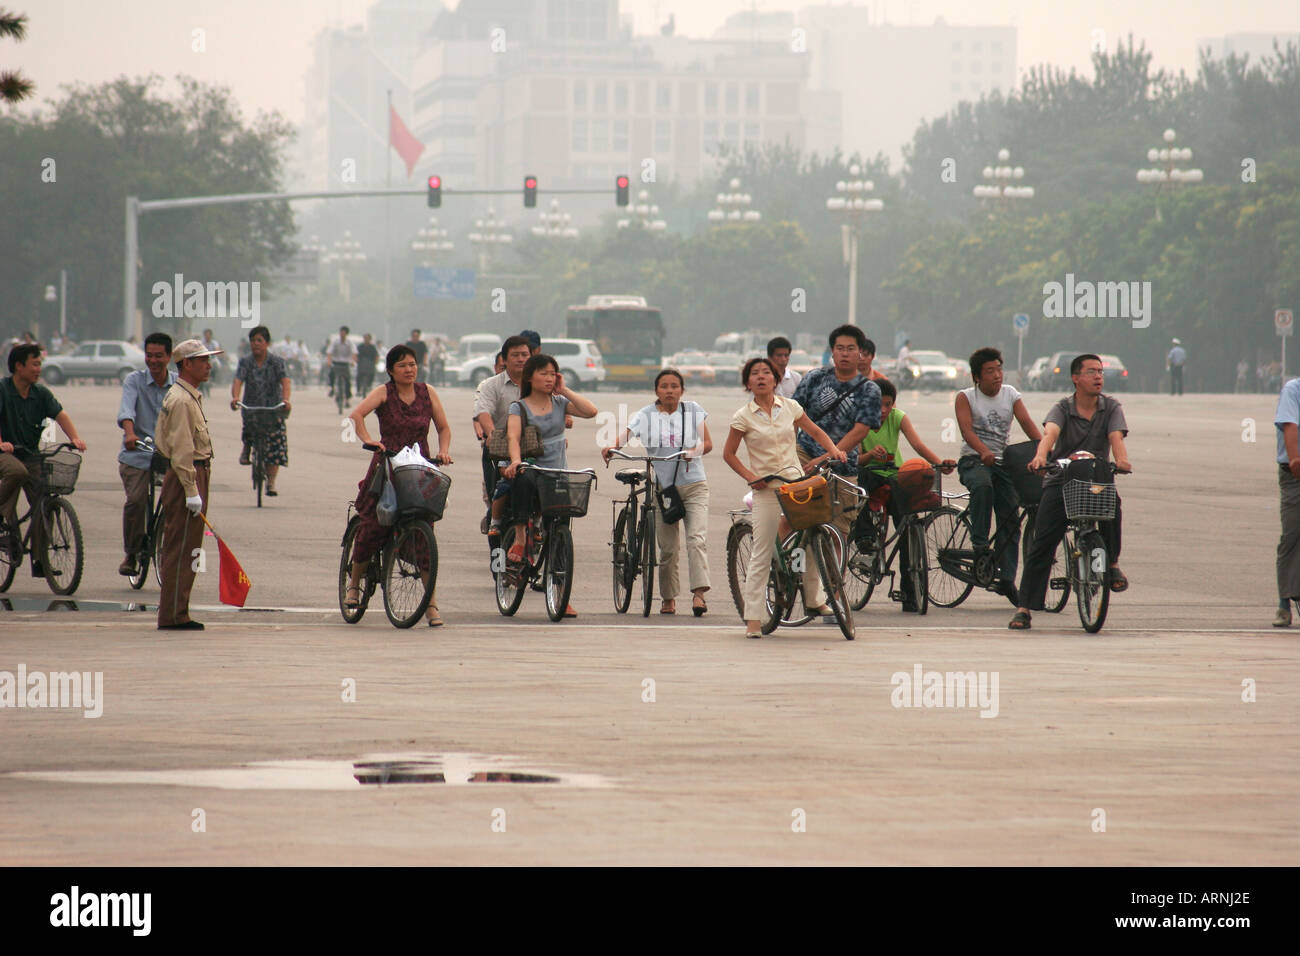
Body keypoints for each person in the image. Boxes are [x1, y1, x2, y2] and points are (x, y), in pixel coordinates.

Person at [724, 357, 848, 639]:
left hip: (797, 484)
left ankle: (815, 599)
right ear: (748, 383)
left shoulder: (790, 407)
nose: (761, 377)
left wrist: (834, 450)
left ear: (776, 379)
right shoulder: (742, 416)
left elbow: (815, 431)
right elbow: (729, 454)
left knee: (815, 535)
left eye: (766, 372)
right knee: (763, 552)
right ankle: (753, 619)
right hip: (766, 488)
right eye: (754, 374)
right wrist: (750, 475)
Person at [1010, 354, 1132, 630]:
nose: (1098, 376)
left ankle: (1111, 563)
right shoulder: (1062, 408)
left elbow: (1116, 439)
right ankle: (1024, 607)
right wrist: (1041, 457)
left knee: (1114, 505)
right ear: (1075, 378)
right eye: (1091, 372)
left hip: (1096, 478)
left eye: (1100, 371)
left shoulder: (1111, 407)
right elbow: (1049, 436)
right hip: (1062, 480)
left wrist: (1122, 460)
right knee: (1043, 543)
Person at [346, 344, 453, 626]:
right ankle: (354, 585)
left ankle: (431, 605)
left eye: (413, 364)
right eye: (403, 365)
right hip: (387, 467)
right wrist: (369, 439)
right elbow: (357, 415)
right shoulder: (384, 392)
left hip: (418, 468)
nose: (409, 369)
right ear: (391, 370)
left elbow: (443, 427)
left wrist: (443, 450)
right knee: (373, 527)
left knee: (424, 534)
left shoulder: (427, 393)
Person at [603, 368, 714, 616]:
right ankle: (668, 598)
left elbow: (707, 444)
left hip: (694, 484)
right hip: (663, 488)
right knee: (668, 548)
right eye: (664, 386)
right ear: (656, 390)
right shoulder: (646, 415)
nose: (669, 390)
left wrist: (692, 452)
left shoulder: (693, 410)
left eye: (674, 386)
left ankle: (698, 595)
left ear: (682, 390)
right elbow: (625, 436)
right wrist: (612, 446)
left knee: (696, 539)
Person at [501, 353, 599, 617]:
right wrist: (516, 461)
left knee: (560, 536)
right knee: (523, 479)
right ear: (530, 376)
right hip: (532, 469)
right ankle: (520, 538)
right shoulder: (518, 407)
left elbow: (591, 411)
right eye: (543, 373)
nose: (548, 377)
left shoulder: (560, 403)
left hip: (558, 474)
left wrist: (564, 388)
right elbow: (513, 436)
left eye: (552, 373)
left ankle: (559, 594)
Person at [850, 378, 956, 611]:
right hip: (868, 473)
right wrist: (870, 456)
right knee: (863, 483)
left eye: (888, 405)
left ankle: (909, 592)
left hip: (894, 474)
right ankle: (865, 539)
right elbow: (855, 459)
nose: (883, 411)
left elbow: (917, 445)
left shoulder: (898, 417)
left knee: (908, 526)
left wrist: (939, 463)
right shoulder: (859, 419)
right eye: (879, 405)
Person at [954, 347, 1043, 605]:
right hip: (974, 460)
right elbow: (966, 429)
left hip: (1003, 462)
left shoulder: (1011, 395)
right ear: (976, 377)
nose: (997, 375)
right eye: (990, 371)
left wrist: (1042, 448)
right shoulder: (966, 397)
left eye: (999, 369)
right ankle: (980, 544)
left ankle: (1007, 578)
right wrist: (982, 451)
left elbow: (1027, 424)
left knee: (1011, 518)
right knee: (983, 487)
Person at [0, 343, 89, 575]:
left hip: (30, 454)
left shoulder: (41, 393)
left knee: (45, 499)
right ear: (19, 366)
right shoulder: (2, 389)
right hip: (4, 453)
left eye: (40, 364)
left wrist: (75, 438)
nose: (39, 369)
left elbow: (61, 415)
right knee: (17, 472)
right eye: (35, 364)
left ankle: (40, 561)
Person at [154, 338, 222, 630]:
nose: (208, 365)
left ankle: (178, 611)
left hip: (193, 474)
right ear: (187, 365)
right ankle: (172, 615)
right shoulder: (182, 400)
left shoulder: (188, 395)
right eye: (203, 360)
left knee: (187, 545)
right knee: (181, 547)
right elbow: (182, 451)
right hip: (187, 476)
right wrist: (192, 491)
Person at [792, 324, 882, 537]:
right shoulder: (814, 378)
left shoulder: (870, 390)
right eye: (840, 348)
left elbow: (860, 431)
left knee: (838, 531)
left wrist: (825, 458)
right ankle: (786, 566)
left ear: (860, 352)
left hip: (843, 464)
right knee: (797, 520)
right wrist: (789, 448)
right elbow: (793, 414)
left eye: (851, 348)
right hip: (804, 456)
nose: (845, 353)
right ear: (832, 351)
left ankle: (833, 571)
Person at [116, 332, 175, 576]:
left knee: (180, 503)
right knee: (137, 501)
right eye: (149, 355)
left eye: (159, 356)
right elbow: (126, 410)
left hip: (167, 456)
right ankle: (131, 553)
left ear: (169, 357)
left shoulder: (179, 384)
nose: (153, 361)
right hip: (137, 452)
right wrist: (130, 434)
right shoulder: (134, 380)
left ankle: (172, 551)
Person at [475, 336, 532, 551]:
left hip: (532, 451)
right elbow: (483, 413)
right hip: (497, 451)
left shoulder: (539, 382)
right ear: (504, 360)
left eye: (524, 355)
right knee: (496, 498)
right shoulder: (491, 385)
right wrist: (492, 436)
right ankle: (497, 551)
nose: (520, 359)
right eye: (515, 355)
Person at [230, 326, 292, 496]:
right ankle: (247, 446)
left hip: (273, 408)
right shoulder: (245, 362)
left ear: (267, 343)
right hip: (252, 407)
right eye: (253, 341)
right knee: (249, 427)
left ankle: (270, 483)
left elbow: (285, 381)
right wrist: (235, 398)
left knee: (275, 445)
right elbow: (237, 381)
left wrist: (286, 400)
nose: (255, 344)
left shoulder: (277, 362)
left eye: (259, 340)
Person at [1272, 375, 1300, 626]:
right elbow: (1290, 424)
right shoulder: (1294, 389)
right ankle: (1284, 602)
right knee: (1291, 535)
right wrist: (1294, 459)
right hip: (1295, 474)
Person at [326, 325, 356, 402]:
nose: (342, 334)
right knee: (331, 375)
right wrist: (329, 361)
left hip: (345, 364)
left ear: (346, 334)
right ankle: (332, 389)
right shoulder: (335, 342)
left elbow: (354, 353)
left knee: (348, 381)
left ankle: (347, 398)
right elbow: (329, 352)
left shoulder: (350, 343)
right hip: (336, 363)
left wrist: (353, 361)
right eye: (341, 332)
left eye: (344, 333)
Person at [199, 328, 223, 393]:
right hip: (203, 359)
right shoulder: (201, 342)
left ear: (211, 335)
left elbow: (217, 350)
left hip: (212, 359)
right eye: (206, 335)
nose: (207, 336)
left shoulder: (214, 343)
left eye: (208, 335)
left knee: (218, 364)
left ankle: (213, 377)